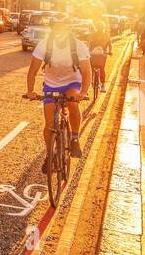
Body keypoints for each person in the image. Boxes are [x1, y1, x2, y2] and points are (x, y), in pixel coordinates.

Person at [24, 24, 91, 165]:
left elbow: (86, 72)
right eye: (56, 30)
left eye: (63, 30)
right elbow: (33, 70)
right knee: (49, 125)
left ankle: (74, 138)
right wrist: (30, 90)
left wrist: (83, 92)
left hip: (72, 82)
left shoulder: (79, 46)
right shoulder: (45, 45)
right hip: (51, 84)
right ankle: (50, 154)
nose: (59, 33)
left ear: (68, 31)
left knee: (73, 103)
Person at [89, 21, 111, 91]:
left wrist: (110, 51)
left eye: (100, 28)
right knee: (95, 69)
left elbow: (109, 44)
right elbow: (90, 43)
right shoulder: (94, 34)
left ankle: (102, 85)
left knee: (98, 68)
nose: (100, 29)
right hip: (96, 53)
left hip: (100, 54)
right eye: (99, 28)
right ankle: (100, 85)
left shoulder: (105, 35)